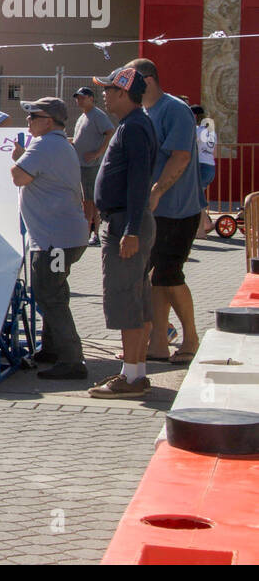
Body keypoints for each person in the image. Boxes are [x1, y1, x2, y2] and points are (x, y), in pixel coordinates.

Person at [128, 58, 204, 365]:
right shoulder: (146, 112)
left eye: (128, 81)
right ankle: (158, 342)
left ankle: (191, 338)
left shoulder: (174, 109)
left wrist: (157, 190)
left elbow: (181, 157)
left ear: (147, 80)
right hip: (155, 210)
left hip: (178, 209)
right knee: (155, 278)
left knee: (170, 274)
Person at [89, 67, 158, 399]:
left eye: (108, 89)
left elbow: (138, 182)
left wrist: (130, 230)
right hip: (127, 222)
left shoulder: (133, 128)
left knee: (126, 301)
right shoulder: (134, 125)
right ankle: (136, 373)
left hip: (125, 225)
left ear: (122, 93)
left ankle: (130, 378)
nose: (103, 94)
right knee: (137, 299)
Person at [10, 97, 90, 380]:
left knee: (50, 296)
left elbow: (19, 176)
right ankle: (53, 348)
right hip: (62, 237)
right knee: (54, 291)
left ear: (48, 121)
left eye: (33, 116)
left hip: (55, 240)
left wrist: (19, 156)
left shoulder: (45, 145)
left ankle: (71, 359)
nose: (28, 121)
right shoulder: (59, 144)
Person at [71, 86, 115, 246]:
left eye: (83, 97)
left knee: (90, 201)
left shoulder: (97, 115)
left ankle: (92, 234)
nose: (79, 100)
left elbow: (110, 131)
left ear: (91, 98)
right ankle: (90, 233)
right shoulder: (83, 116)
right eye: (78, 97)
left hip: (91, 166)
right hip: (81, 165)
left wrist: (97, 153)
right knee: (87, 200)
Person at [192, 105, 216, 238]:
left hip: (200, 166)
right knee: (200, 197)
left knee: (198, 200)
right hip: (211, 165)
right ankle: (206, 224)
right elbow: (215, 151)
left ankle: (200, 231)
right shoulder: (212, 132)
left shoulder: (197, 130)